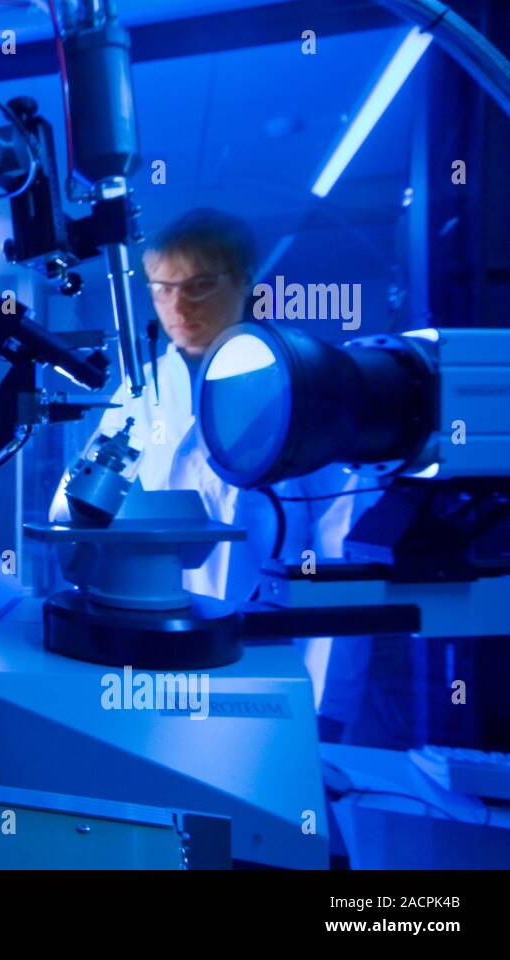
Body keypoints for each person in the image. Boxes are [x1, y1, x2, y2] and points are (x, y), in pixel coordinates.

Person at [48, 208, 374, 738]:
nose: (178, 305)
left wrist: (324, 711)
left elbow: (341, 549)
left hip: (271, 660)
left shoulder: (310, 384)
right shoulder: (139, 391)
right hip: (153, 646)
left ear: (245, 281)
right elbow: (81, 516)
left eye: (199, 285)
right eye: (161, 288)